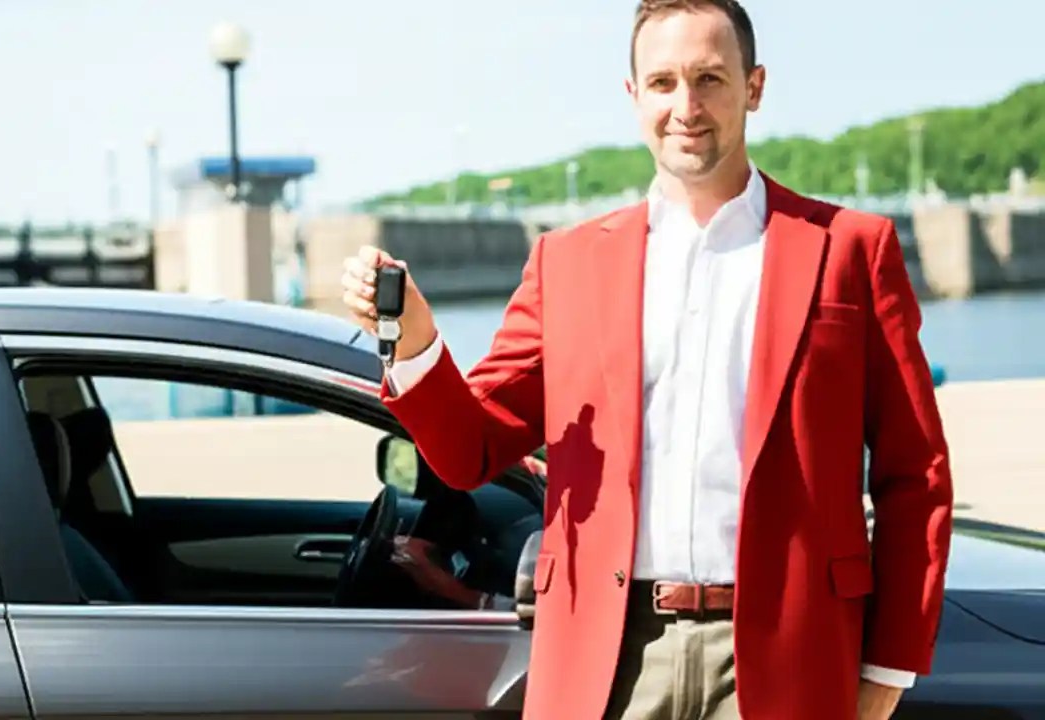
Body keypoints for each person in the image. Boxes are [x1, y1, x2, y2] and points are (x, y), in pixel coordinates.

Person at [341, 0, 953, 717]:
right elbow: (470, 449)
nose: (686, 106)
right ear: (634, 96)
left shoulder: (849, 250)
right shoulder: (565, 264)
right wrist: (415, 340)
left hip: (790, 655)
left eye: (710, 79)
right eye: (662, 82)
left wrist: (885, 675)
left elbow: (918, 476)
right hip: (609, 658)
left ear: (754, 87)